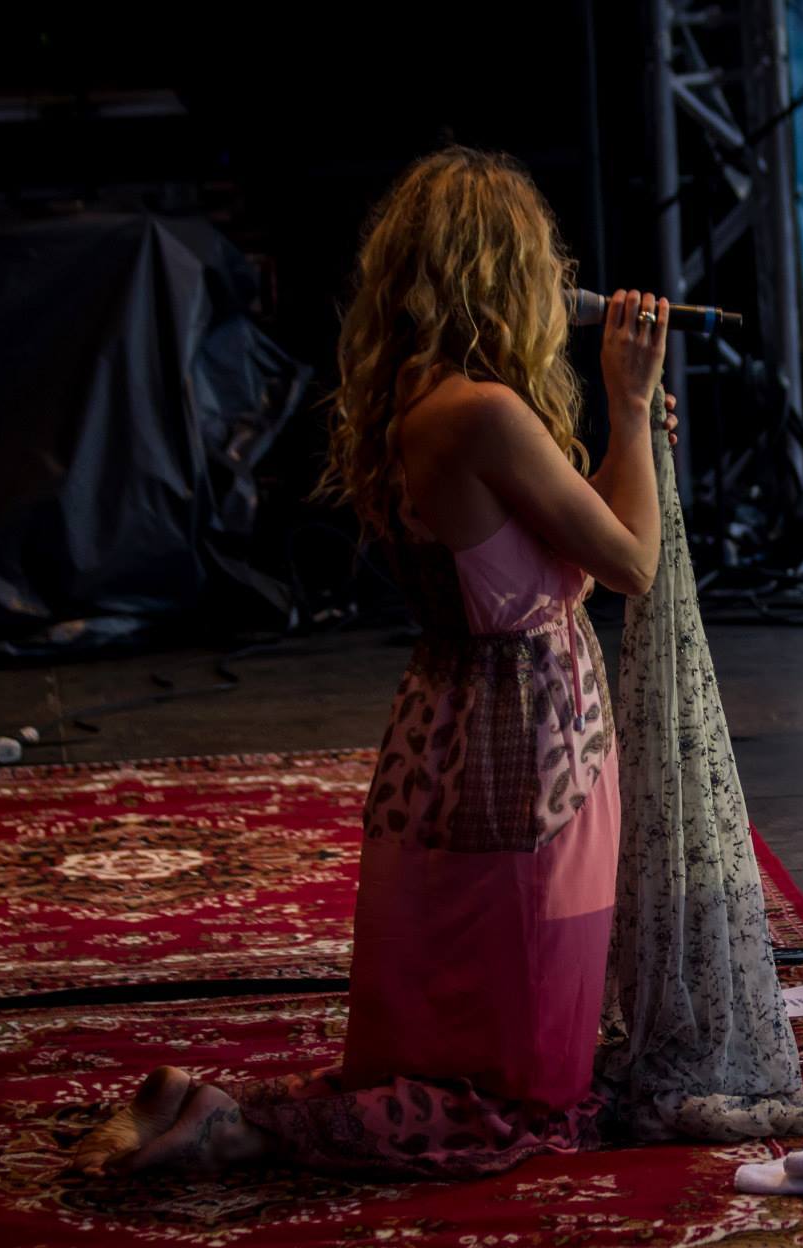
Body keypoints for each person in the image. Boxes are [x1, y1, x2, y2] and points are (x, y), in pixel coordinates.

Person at [70, 148, 673, 1177]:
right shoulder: (484, 413)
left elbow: (589, 531)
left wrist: (630, 433)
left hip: (446, 724)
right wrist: (627, 410)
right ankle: (238, 1131)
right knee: (522, 1094)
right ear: (498, 271)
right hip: (533, 740)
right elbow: (631, 563)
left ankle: (204, 1110)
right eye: (540, 262)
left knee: (450, 1016)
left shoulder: (416, 400)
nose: (555, 283)